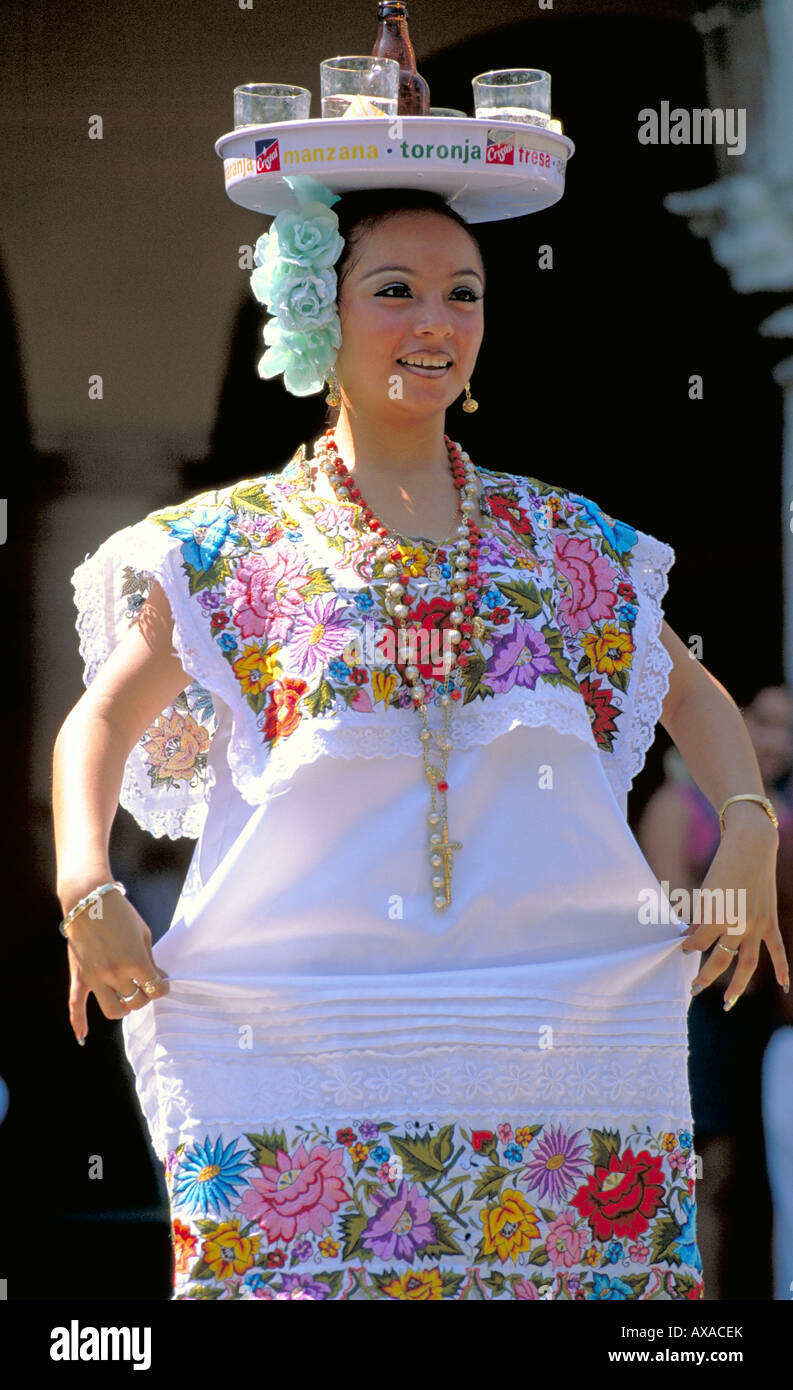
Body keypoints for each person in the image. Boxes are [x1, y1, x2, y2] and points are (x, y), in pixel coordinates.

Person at [52, 178, 789, 1302]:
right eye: (393, 290)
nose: (434, 322)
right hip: (303, 1034)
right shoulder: (229, 549)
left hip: (543, 1029)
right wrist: (86, 884)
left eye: (464, 293)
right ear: (317, 311)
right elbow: (101, 716)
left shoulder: (561, 539)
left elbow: (691, 690)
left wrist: (747, 827)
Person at [637, 685, 793, 1298]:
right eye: (765, 723)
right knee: (709, 1168)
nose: (775, 742)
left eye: (789, 731)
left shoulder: (785, 809)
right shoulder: (679, 806)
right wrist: (740, 957)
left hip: (768, 1018)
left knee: (760, 1170)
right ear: (736, 723)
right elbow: (666, 911)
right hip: (703, 1010)